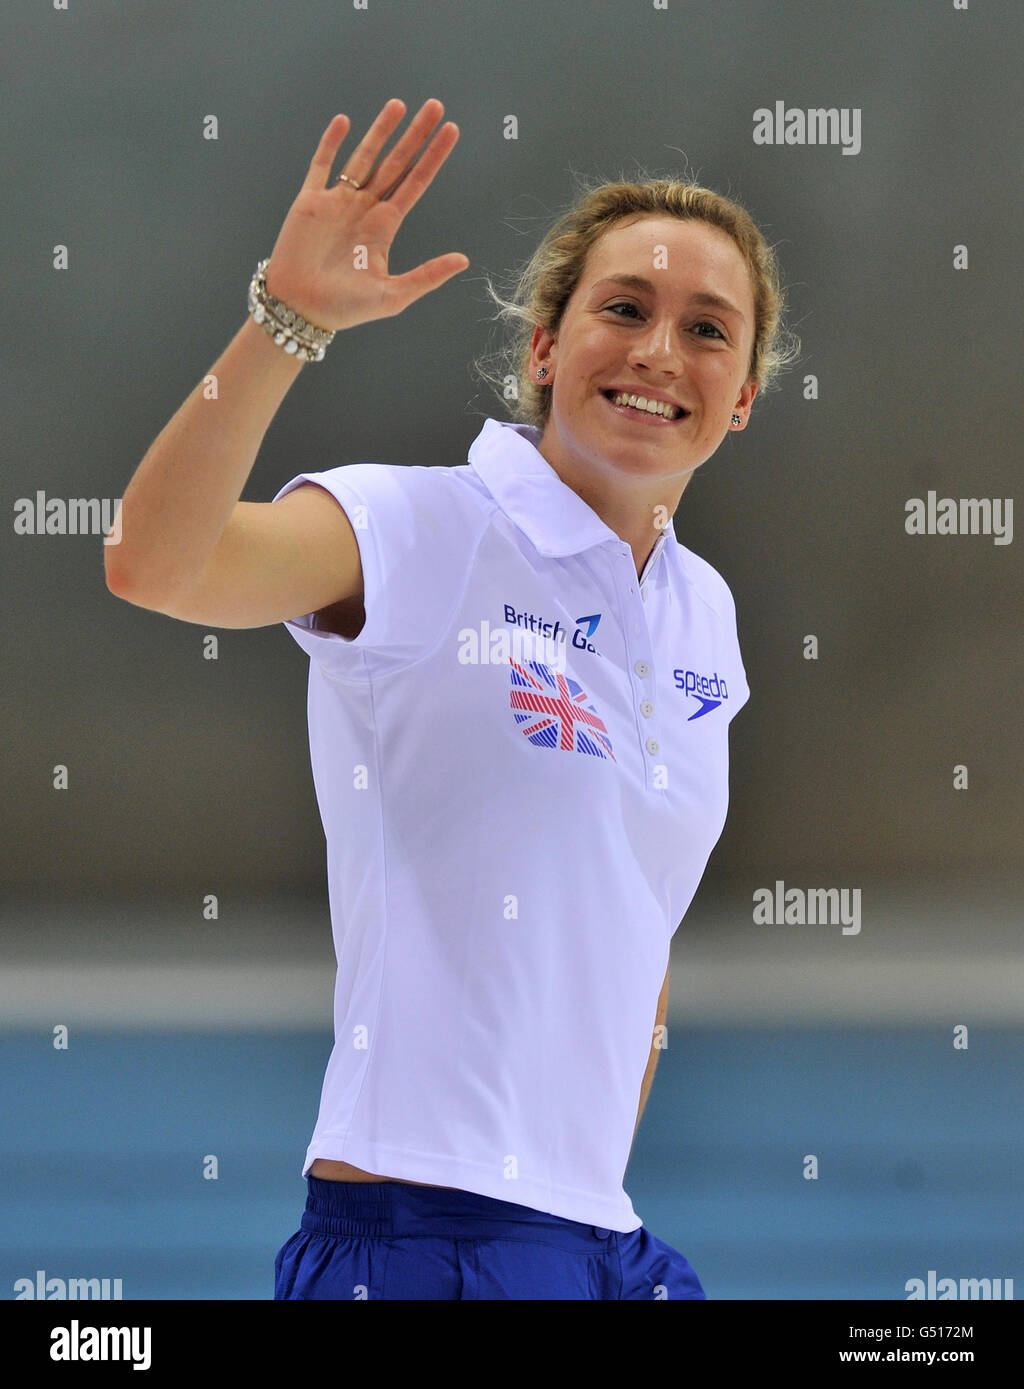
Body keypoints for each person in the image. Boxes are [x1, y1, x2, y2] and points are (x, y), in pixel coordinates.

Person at [106, 97, 798, 1300]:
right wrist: (288, 322)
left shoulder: (705, 617)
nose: (655, 352)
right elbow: (157, 566)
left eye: (706, 330)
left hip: (599, 1237)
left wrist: (586, 1190)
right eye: (622, 309)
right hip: (423, 1235)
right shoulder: (420, 526)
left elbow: (634, 919)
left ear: (741, 395)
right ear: (544, 346)